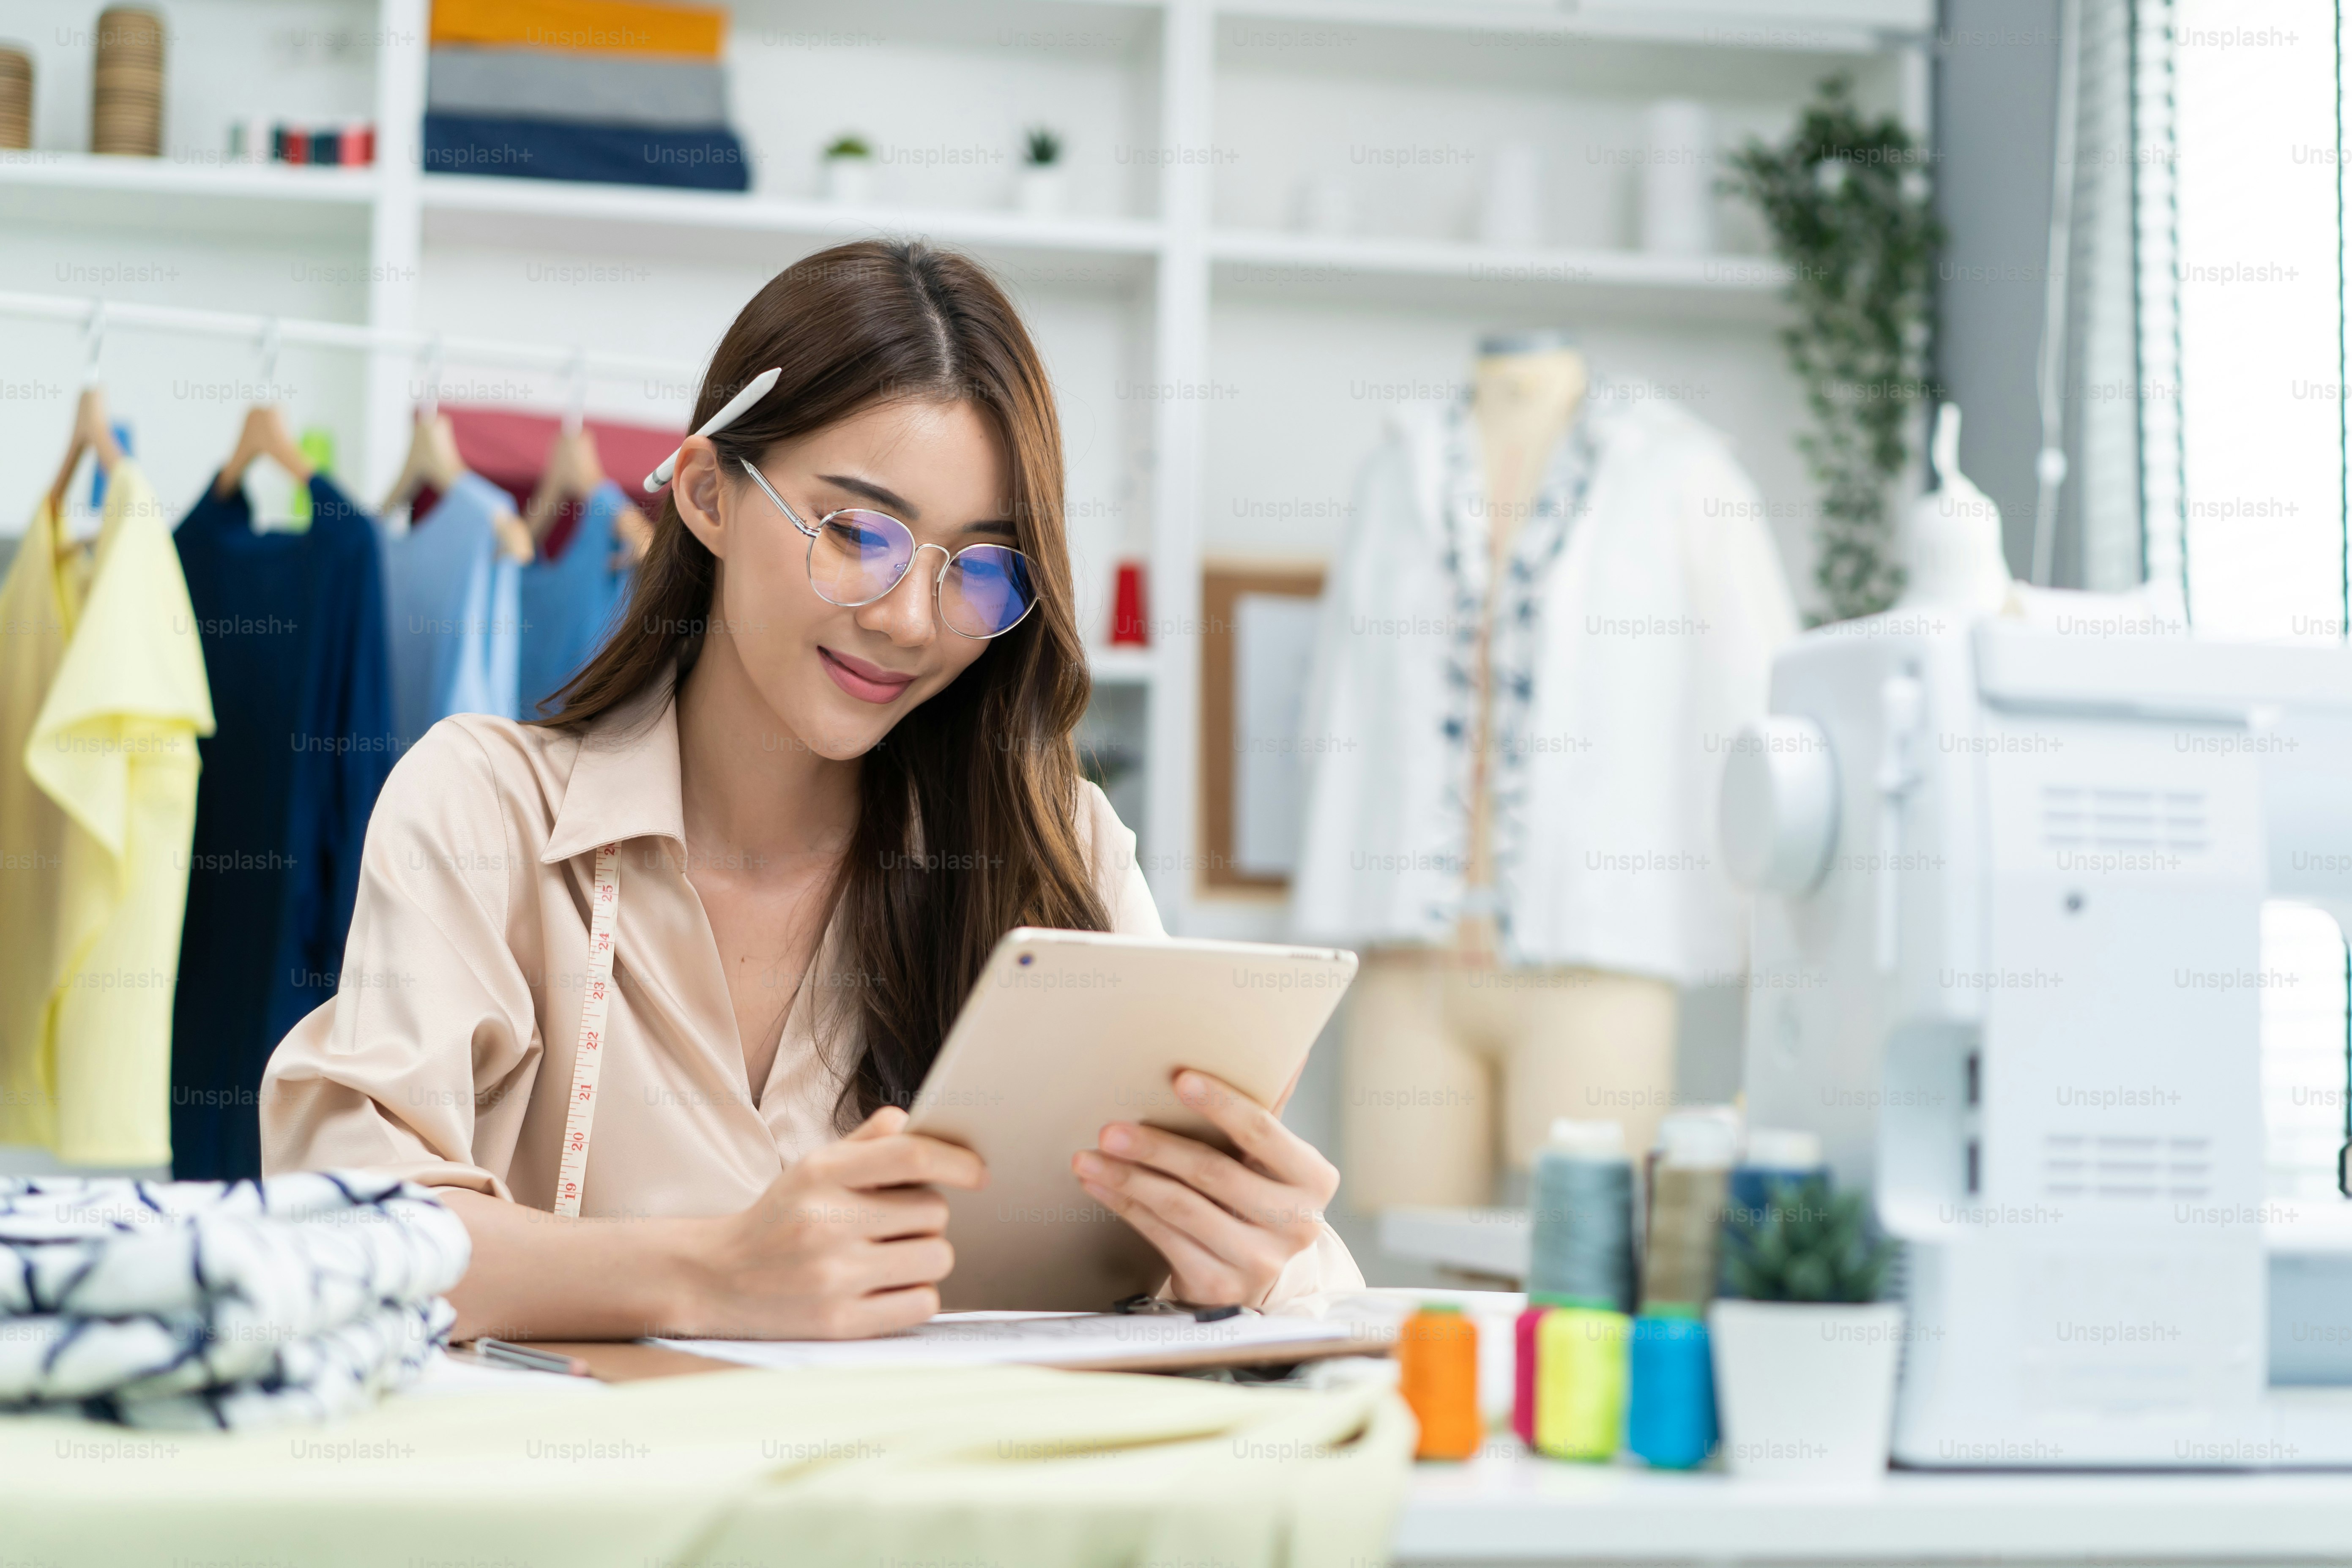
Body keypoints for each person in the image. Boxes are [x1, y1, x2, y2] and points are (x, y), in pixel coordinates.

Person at [260, 240, 1362, 1340]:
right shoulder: (486, 812)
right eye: (857, 534)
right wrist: (714, 1273)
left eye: (979, 567)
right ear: (707, 496)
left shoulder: (1052, 849)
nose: (910, 622)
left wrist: (1244, 1261)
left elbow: (1308, 1295)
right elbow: (342, 1236)